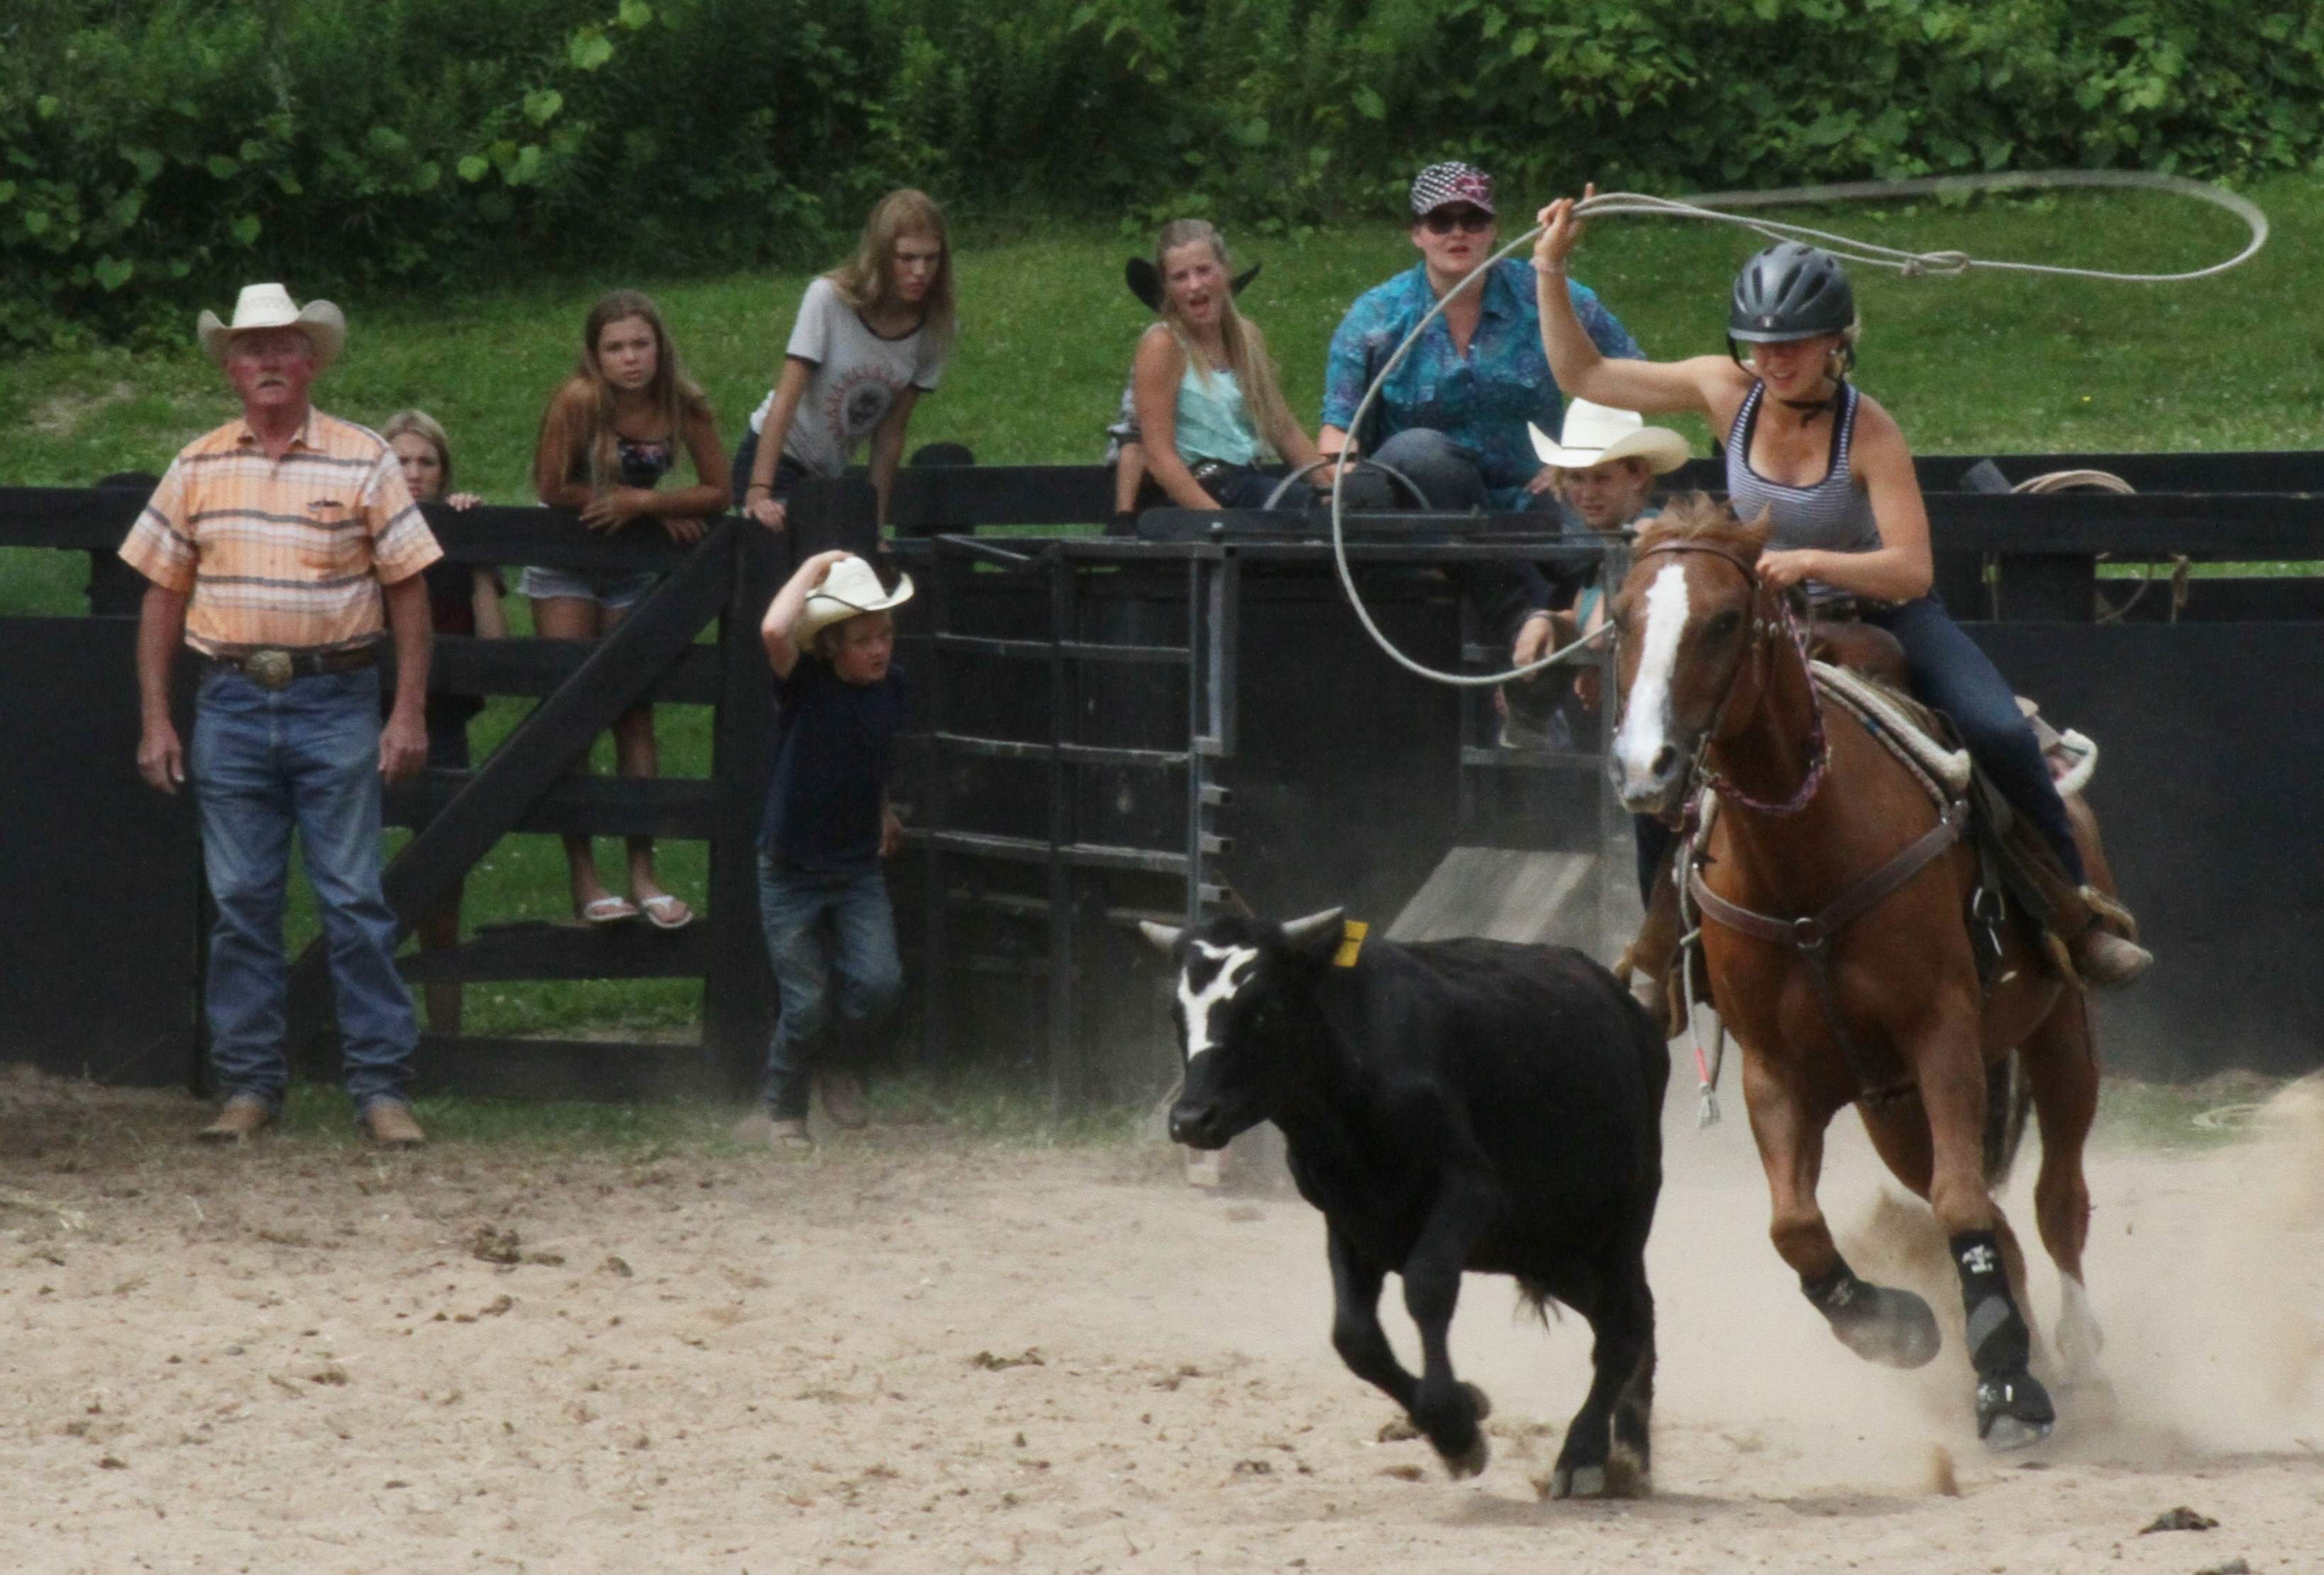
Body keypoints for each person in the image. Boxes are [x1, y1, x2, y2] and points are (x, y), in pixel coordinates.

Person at [1532, 196, 2152, 988]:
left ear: (1836, 342)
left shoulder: (1870, 430)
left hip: (1885, 614)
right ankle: (1664, 945)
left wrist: (1808, 560)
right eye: (1759, 342)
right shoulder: (1724, 390)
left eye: (1792, 343)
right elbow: (1584, 375)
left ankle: (2074, 913)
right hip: (1770, 621)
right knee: (1663, 743)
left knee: (1996, 730)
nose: (1773, 359)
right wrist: (1550, 266)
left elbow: (1911, 570)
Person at [120, 282, 441, 1146]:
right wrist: (157, 717)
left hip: (336, 695)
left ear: (309, 363)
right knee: (241, 902)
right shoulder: (195, 466)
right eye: (251, 349)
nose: (266, 361)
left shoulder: (364, 458)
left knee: (354, 898)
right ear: (232, 369)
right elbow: (161, 596)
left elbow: (409, 590)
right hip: (228, 698)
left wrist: (408, 710)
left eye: (282, 347)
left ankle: (381, 1089)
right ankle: (250, 1085)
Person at [526, 289, 728, 929]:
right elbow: (550, 485)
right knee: (574, 709)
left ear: (660, 346)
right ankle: (585, 876)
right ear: (595, 355)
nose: (630, 358)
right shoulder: (579, 400)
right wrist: (625, 500)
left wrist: (651, 505)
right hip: (568, 556)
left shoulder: (684, 403)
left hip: (630, 561)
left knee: (634, 709)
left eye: (641, 344)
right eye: (615, 348)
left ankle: (644, 870)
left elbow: (718, 488)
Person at [1319, 161, 1643, 514]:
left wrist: (1574, 459)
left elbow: (1632, 375)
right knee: (1421, 451)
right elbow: (1338, 430)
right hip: (1419, 508)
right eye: (1441, 222)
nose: (1458, 233)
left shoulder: (1548, 294)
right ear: (1416, 233)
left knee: (1600, 533)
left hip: (1534, 493)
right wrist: (1356, 493)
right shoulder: (1376, 316)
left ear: (1493, 230)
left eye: (1473, 220)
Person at [752, 551, 913, 1148]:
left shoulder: (891, 689)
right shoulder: (805, 685)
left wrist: (881, 808)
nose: (879, 650)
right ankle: (784, 1109)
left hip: (854, 867)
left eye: (885, 635)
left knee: (879, 984)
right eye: (863, 640)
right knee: (806, 1001)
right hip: (790, 869)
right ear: (829, 645)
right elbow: (774, 630)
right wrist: (815, 565)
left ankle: (839, 1063)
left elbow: (869, 753)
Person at [1517, 399, 1691, 890]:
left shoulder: (1654, 537)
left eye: (1601, 478)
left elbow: (1610, 622)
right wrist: (1547, 620)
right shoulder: (1610, 544)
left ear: (1638, 476)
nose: (1586, 493)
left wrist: (1591, 655)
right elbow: (1589, 616)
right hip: (1635, 739)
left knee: (1659, 870)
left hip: (1668, 743)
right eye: (1576, 478)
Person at [736, 189, 957, 533]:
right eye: (907, 258)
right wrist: (759, 491)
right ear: (881, 256)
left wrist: (875, 527)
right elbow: (786, 399)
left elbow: (890, 434)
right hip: (776, 456)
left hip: (828, 474)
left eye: (931, 259)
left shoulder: (935, 328)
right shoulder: (828, 299)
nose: (920, 271)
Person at [382, 409, 502, 1034]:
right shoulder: (365, 528)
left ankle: (447, 1034)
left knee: (443, 878)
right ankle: (366, 1022)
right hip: (363, 719)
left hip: (445, 720)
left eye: (427, 462)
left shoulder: (457, 535)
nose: (414, 473)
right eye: (400, 461)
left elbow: (497, 646)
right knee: (359, 879)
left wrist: (476, 550)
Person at [1127, 220, 1334, 512]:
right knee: (1297, 508)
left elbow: (1282, 428)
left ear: (1225, 271)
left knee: (1326, 508)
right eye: (1180, 277)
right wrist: (1219, 521)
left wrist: (1332, 492)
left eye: (1203, 271)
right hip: (1196, 494)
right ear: (1168, 288)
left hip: (1247, 483)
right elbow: (1160, 459)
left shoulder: (1246, 337)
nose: (1195, 285)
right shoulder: (1164, 344)